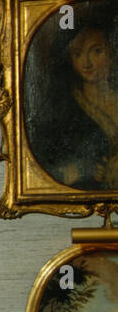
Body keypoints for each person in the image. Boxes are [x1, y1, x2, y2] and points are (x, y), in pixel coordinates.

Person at [30, 23, 118, 190]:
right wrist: (84, 169)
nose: (86, 63)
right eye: (77, 54)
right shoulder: (64, 106)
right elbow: (45, 162)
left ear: (112, 51)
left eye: (96, 51)